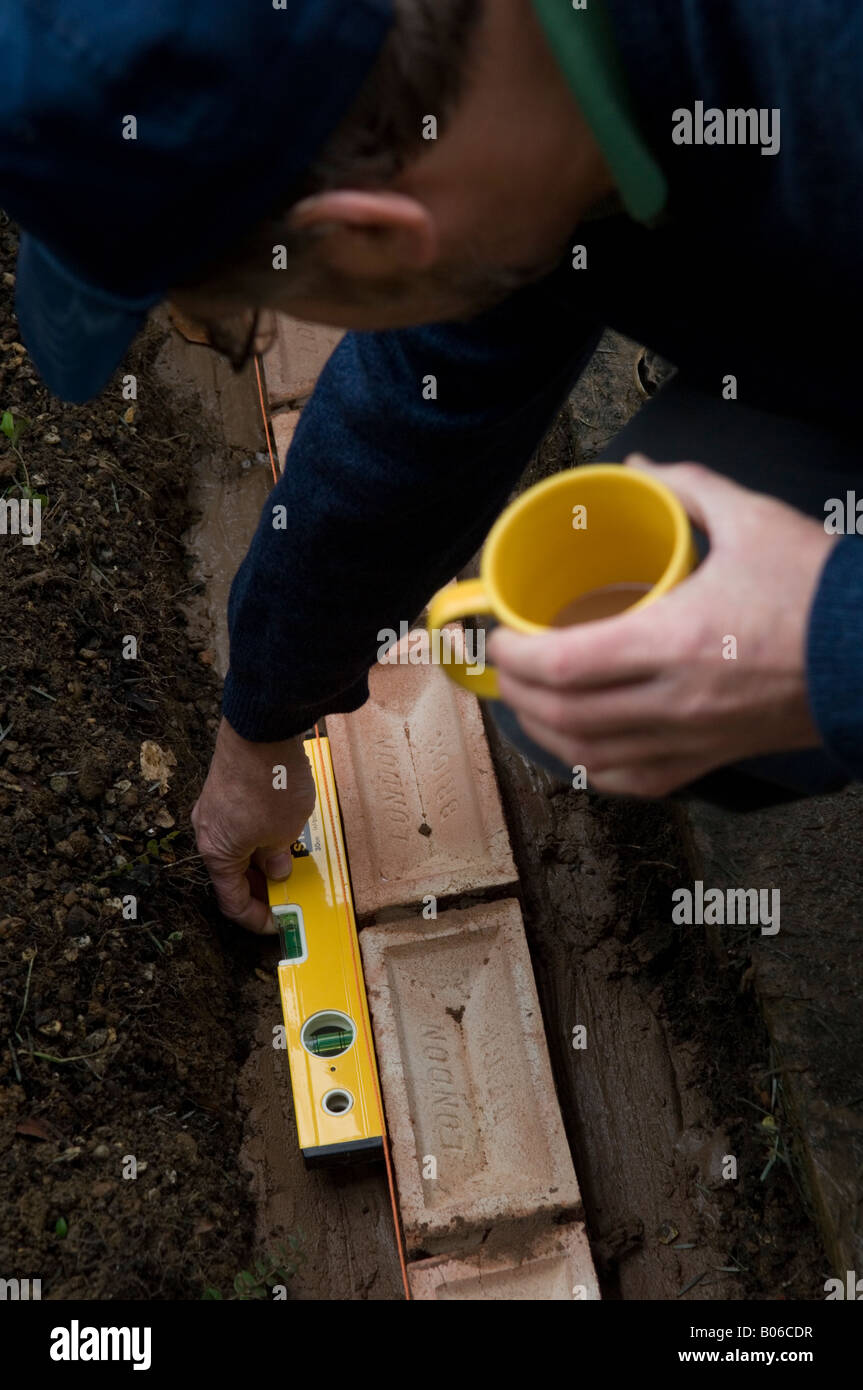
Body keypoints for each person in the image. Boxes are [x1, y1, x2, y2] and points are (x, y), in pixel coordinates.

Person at [5, 0, 862, 934]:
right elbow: (417, 403)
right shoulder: (502, 76)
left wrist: (822, 647)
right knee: (613, 626)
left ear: (372, 231)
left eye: (237, 319)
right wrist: (264, 720)